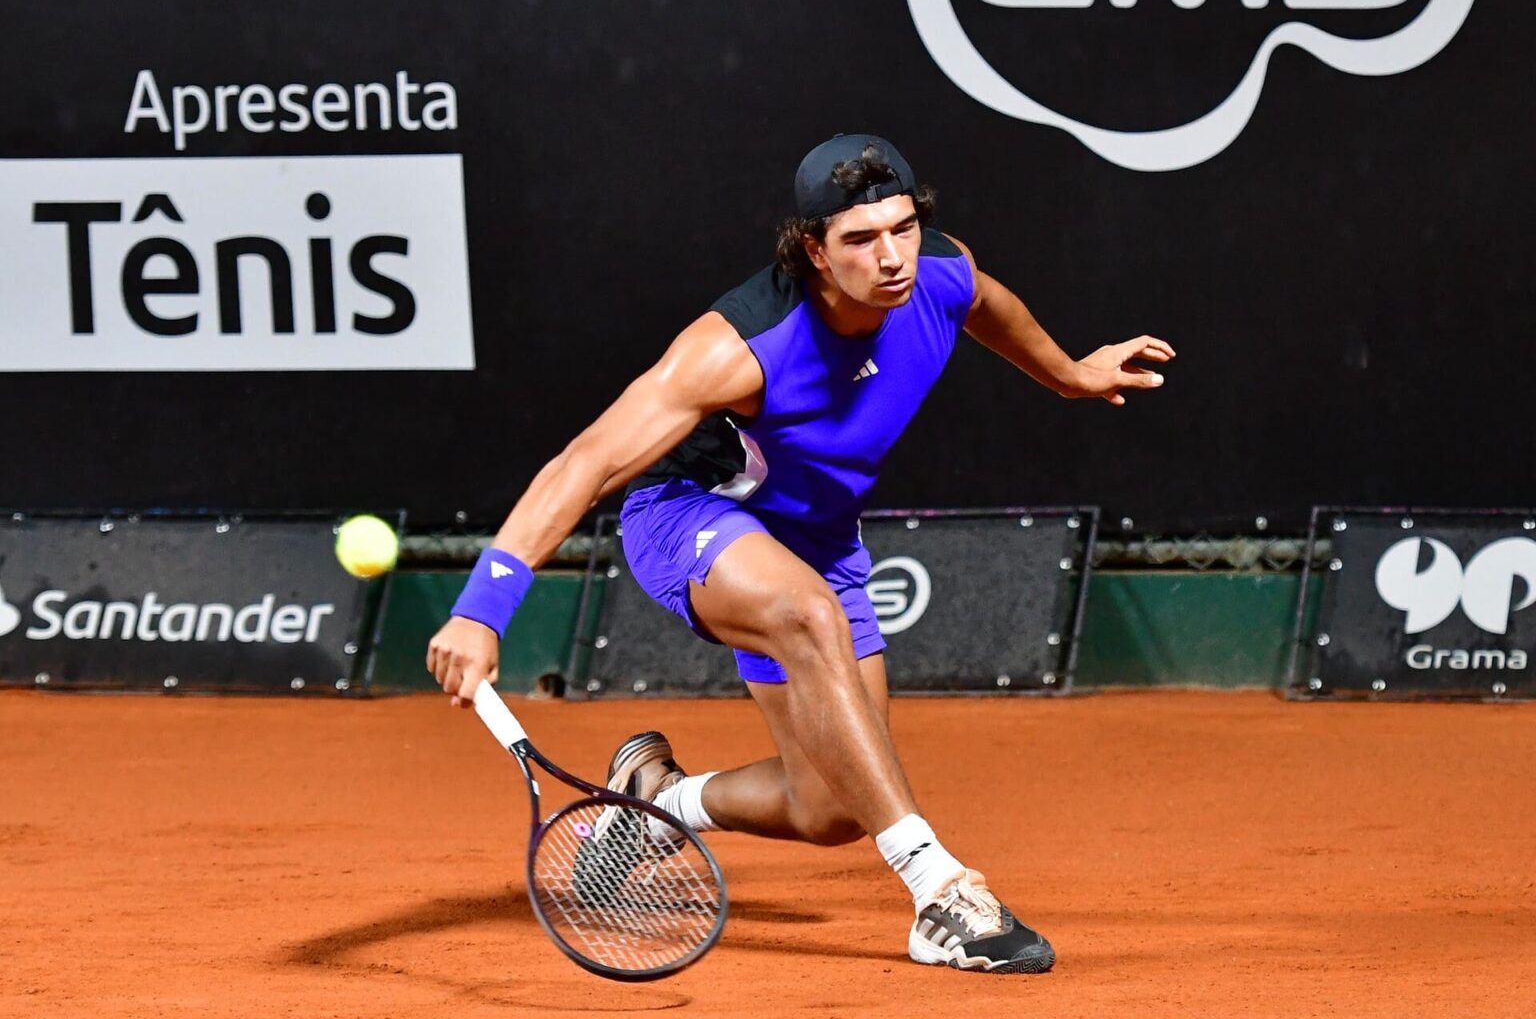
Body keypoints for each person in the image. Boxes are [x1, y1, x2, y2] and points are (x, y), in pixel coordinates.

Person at [427, 134, 1173, 974]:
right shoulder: (737, 345)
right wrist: (482, 608)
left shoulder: (939, 274)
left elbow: (986, 303)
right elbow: (589, 461)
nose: (890, 257)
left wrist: (1069, 374)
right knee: (808, 612)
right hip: (691, 515)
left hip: (818, 537)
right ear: (814, 248)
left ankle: (656, 800)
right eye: (861, 239)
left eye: (903, 228)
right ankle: (940, 893)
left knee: (831, 806)